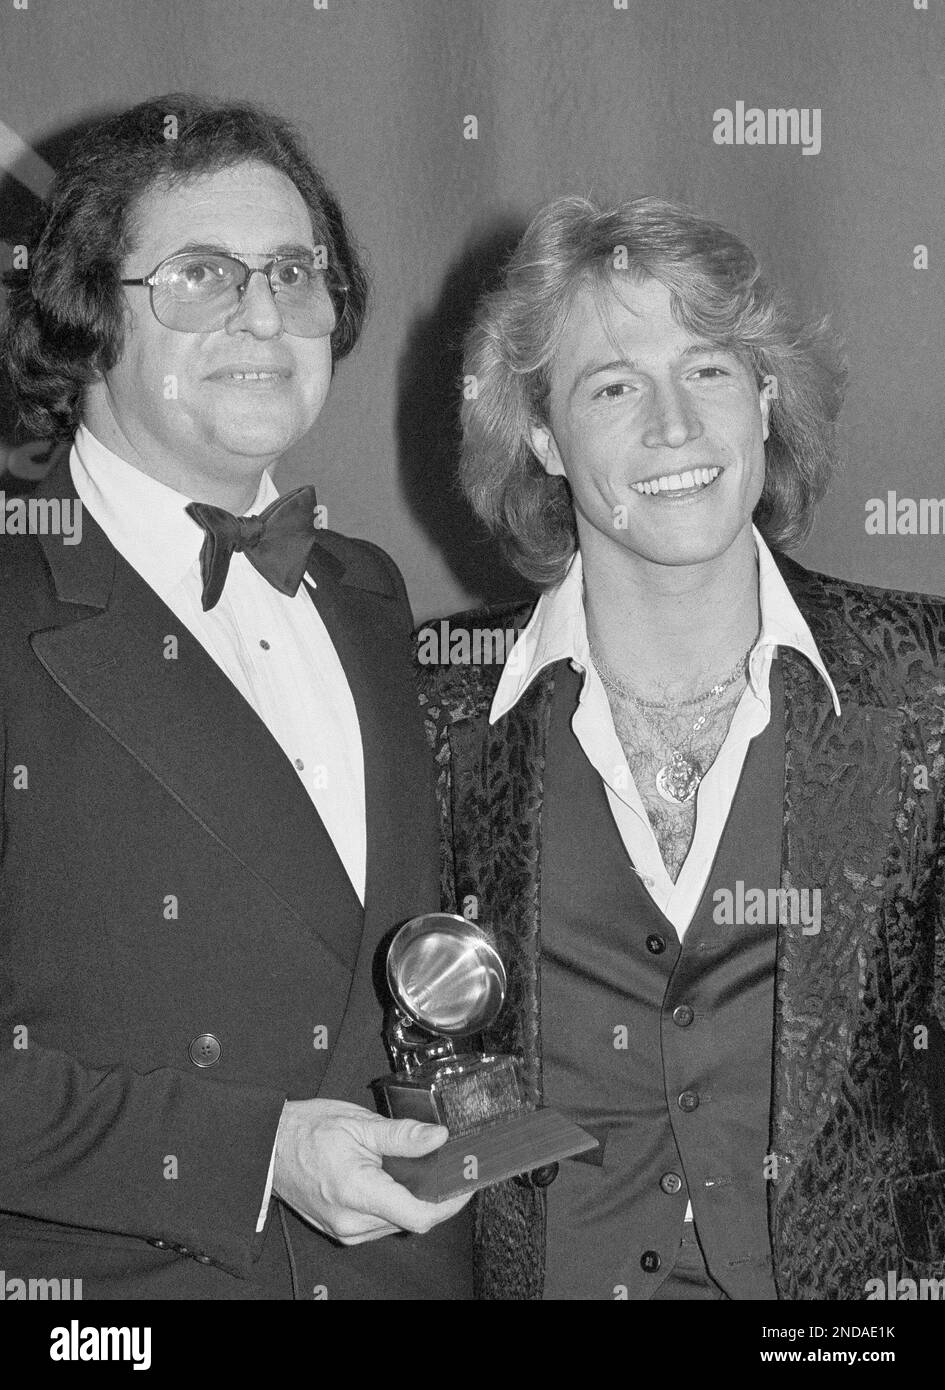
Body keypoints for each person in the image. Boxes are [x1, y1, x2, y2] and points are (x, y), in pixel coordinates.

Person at [418, 194, 945, 1300]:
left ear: (763, 399)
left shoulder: (925, 682)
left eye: (708, 369)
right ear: (546, 440)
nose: (674, 426)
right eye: (614, 386)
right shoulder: (434, 700)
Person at [0, 94, 471, 1300]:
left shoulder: (365, 590)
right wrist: (254, 1152)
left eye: (295, 272)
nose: (265, 315)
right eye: (203, 274)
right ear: (87, 313)